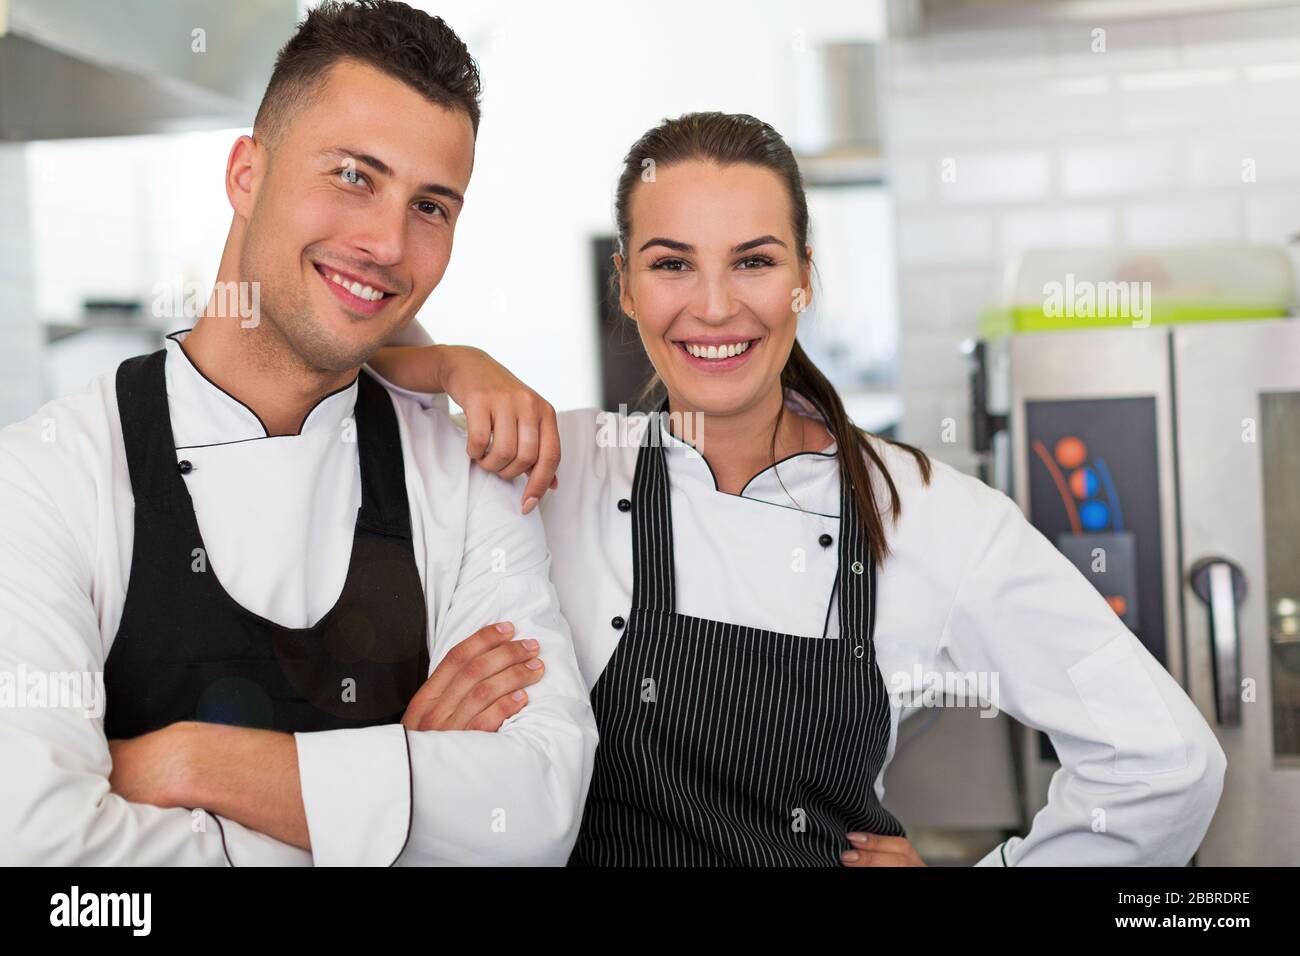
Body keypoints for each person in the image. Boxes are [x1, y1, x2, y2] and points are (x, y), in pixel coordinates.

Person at [370, 111, 1227, 866]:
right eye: (673, 265)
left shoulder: (924, 514)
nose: (713, 307)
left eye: (753, 261)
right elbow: (328, 353)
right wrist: (453, 362)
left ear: (803, 278)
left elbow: (1166, 761)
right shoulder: (562, 469)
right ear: (625, 286)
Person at [0, 0, 594, 866]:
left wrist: (188, 763)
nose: (387, 242)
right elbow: (49, 856)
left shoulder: (470, 478)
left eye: (430, 206)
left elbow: (534, 814)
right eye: (354, 175)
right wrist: (396, 795)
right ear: (246, 172)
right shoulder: (45, 481)